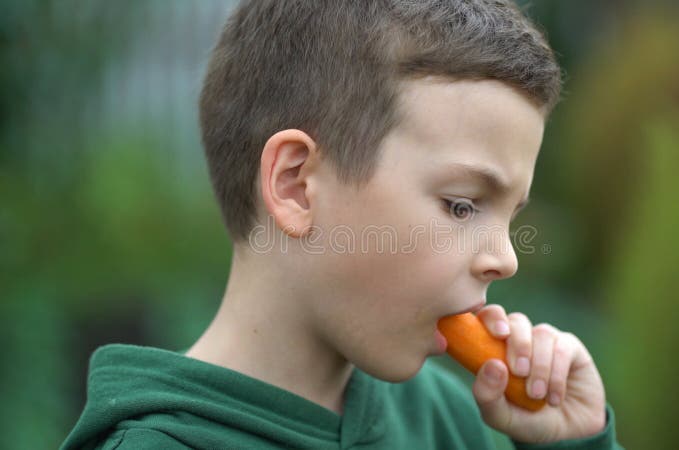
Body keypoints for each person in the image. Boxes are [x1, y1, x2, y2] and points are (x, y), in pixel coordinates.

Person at [62, 1, 624, 448]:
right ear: (296, 185)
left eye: (510, 215)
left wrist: (574, 443)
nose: (505, 257)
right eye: (462, 204)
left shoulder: (450, 421)